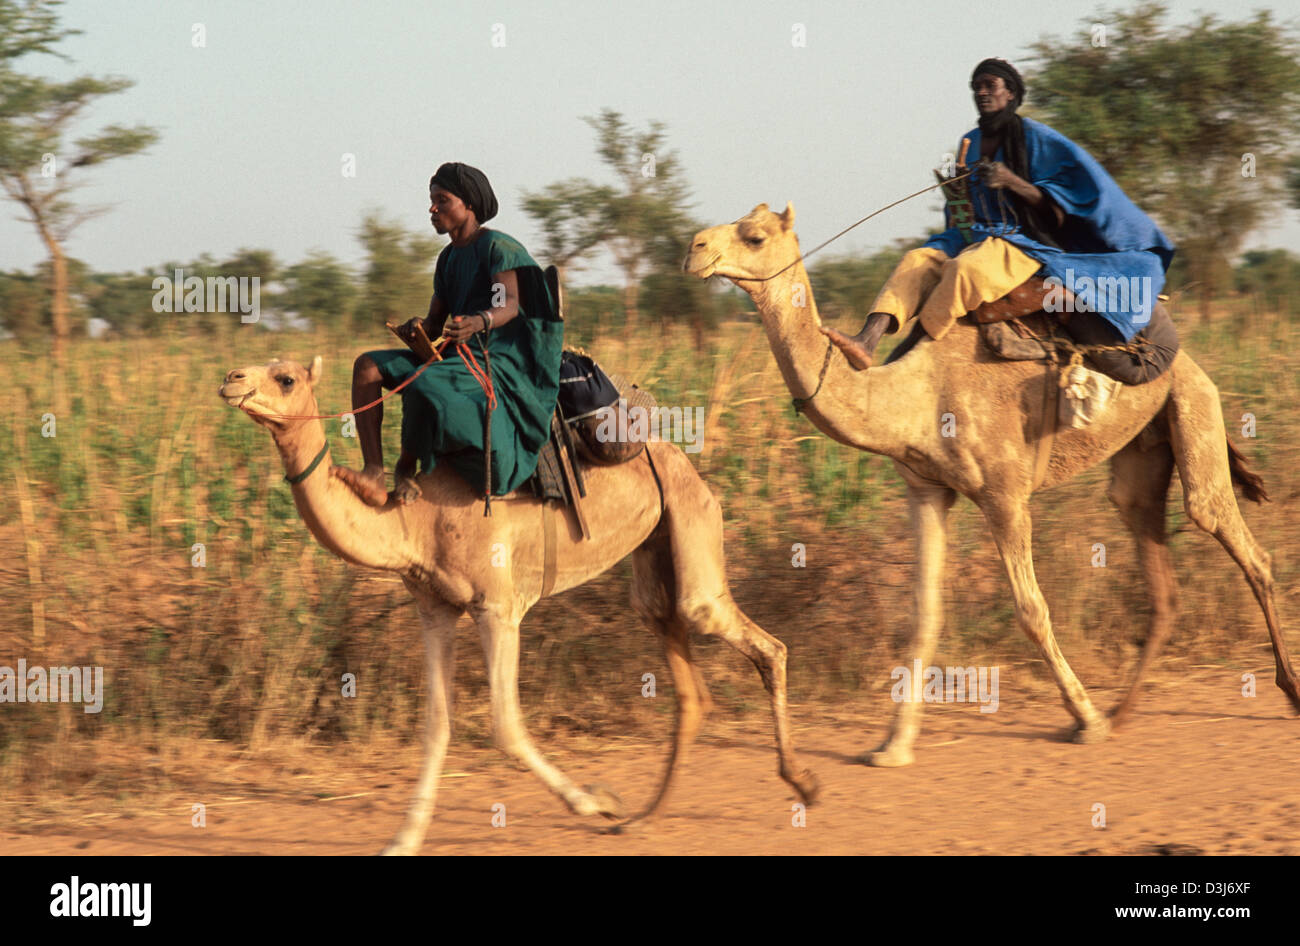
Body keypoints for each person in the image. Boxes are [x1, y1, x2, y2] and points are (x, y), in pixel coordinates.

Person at [823, 58, 1177, 380]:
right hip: (973, 234)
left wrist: (1012, 182)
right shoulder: (969, 141)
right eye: (976, 86)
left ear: (1011, 93)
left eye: (990, 85)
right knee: (917, 260)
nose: (981, 92)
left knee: (965, 272)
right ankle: (867, 340)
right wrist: (958, 195)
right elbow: (964, 212)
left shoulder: (1039, 140)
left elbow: (1059, 211)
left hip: (1020, 242)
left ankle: (909, 353)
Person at [333, 162, 562, 507]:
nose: (432, 208)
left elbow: (509, 304)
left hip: (494, 359)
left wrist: (478, 321)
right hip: (454, 356)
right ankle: (373, 473)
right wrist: (418, 329)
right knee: (367, 366)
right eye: (431, 200)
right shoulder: (447, 259)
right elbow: (435, 324)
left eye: (442, 200)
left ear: (468, 204)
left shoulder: (498, 248)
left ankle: (406, 466)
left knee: (423, 382)